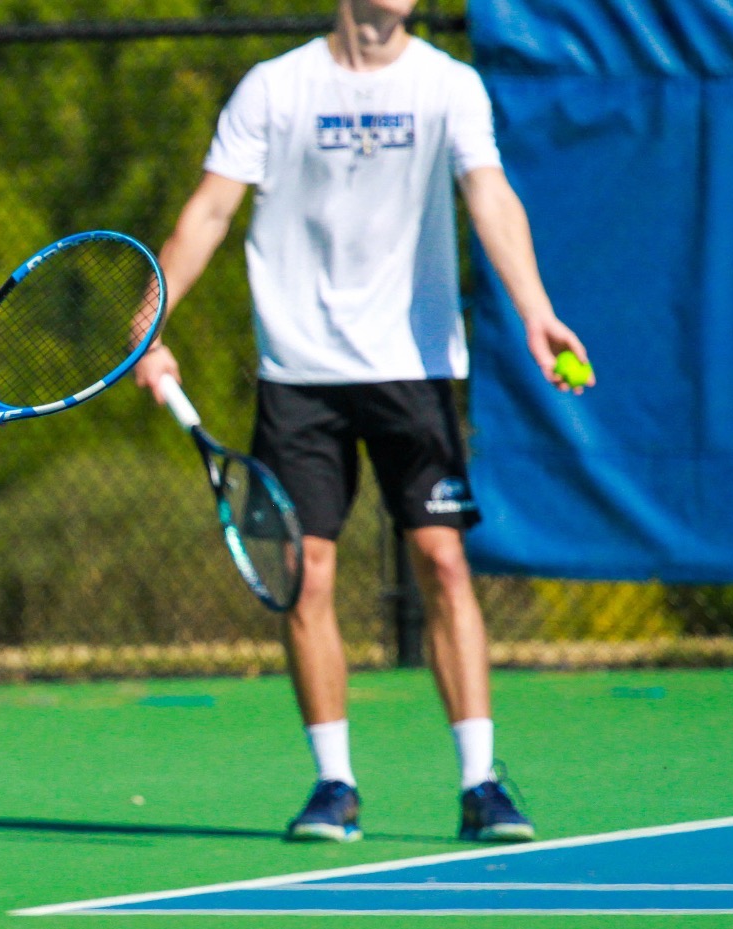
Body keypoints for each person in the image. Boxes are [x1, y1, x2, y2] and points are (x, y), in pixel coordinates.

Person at [135, 0, 589, 843]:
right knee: (307, 575)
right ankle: (334, 783)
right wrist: (151, 314)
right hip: (300, 375)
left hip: (413, 369)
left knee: (444, 561)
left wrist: (536, 308)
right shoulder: (274, 88)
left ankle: (482, 781)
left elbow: (489, 194)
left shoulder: (449, 84)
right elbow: (206, 212)